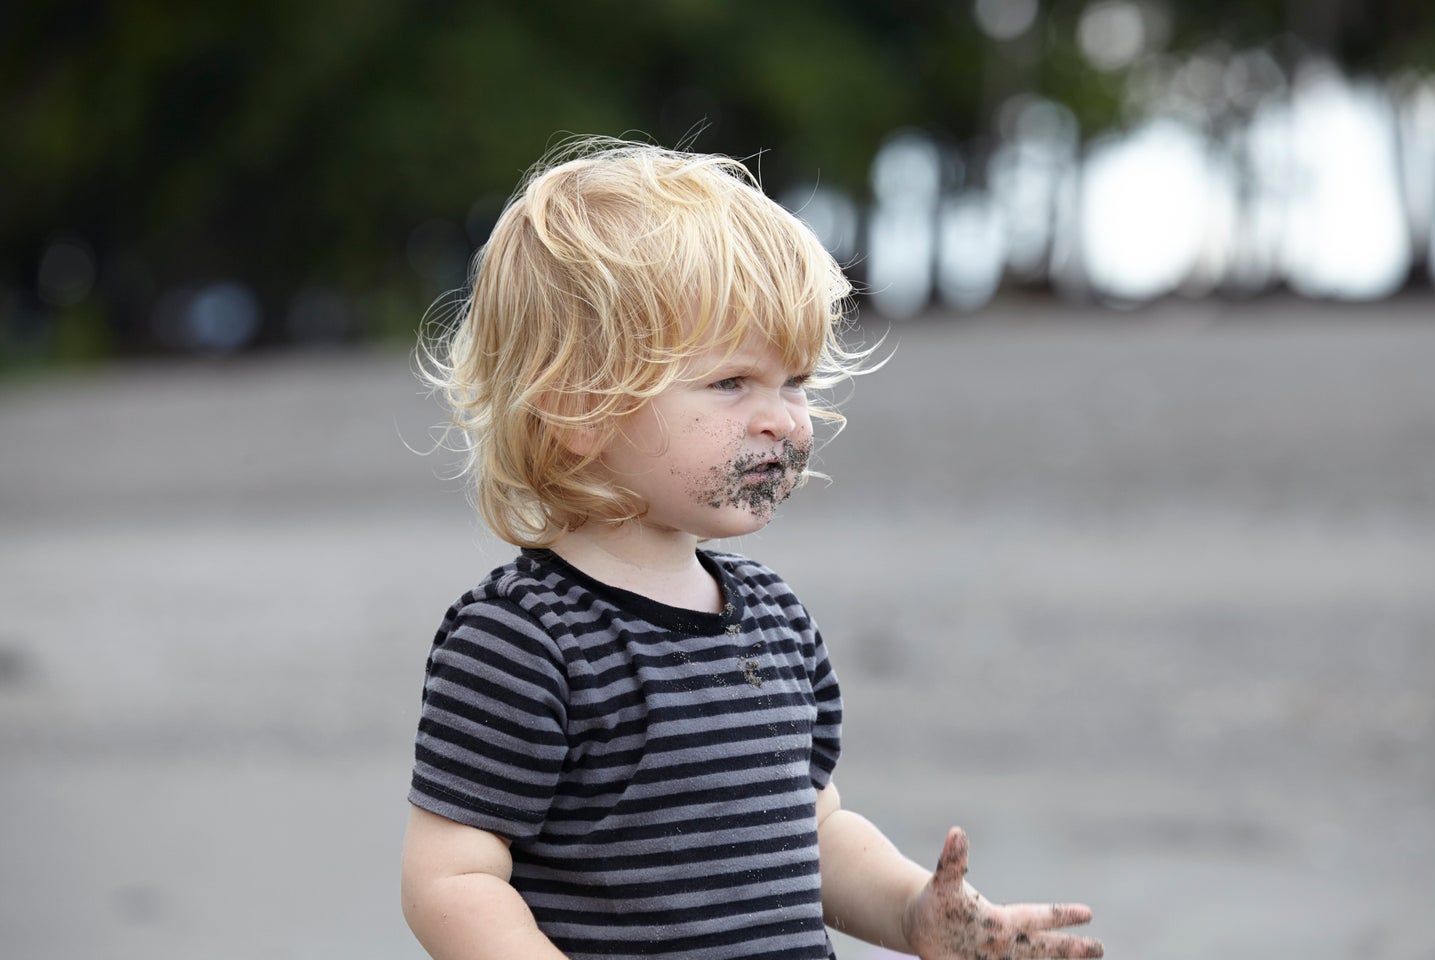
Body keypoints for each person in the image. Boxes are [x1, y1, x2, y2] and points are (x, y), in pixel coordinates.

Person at [400, 137, 1104, 960]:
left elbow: (815, 831)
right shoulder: (523, 638)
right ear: (581, 407)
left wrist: (915, 915)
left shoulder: (772, 620)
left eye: (796, 382)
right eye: (732, 383)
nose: (784, 419)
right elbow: (452, 882)